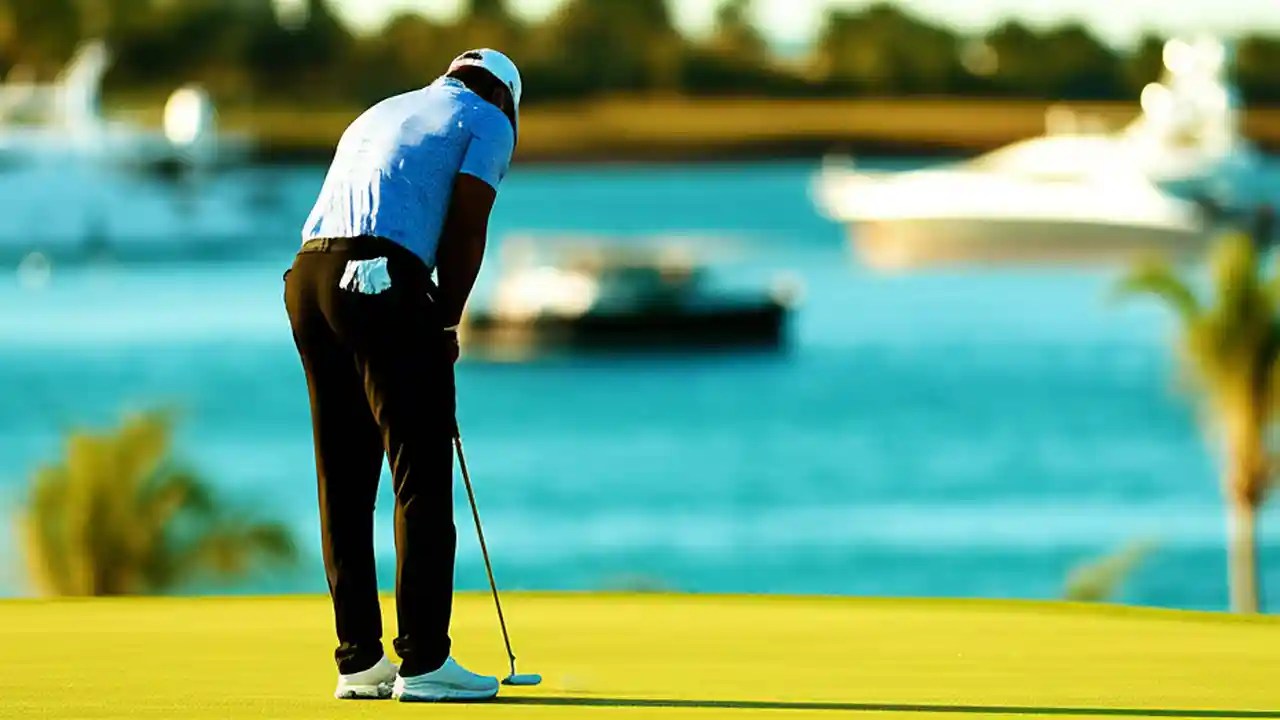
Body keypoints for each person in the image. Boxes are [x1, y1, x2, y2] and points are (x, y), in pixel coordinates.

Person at [282, 49, 520, 703]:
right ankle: (423, 661)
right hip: (380, 276)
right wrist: (446, 322)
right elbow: (468, 228)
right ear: (505, 97)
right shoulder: (488, 119)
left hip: (307, 281)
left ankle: (358, 661)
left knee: (345, 477)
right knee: (419, 474)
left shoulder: (382, 110)